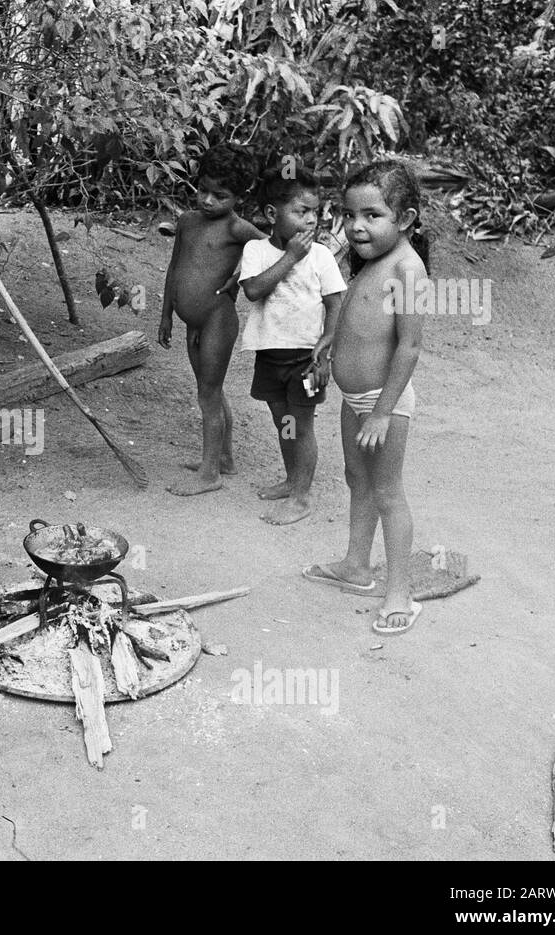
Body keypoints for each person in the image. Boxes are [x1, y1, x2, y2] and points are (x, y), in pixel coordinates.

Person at [304, 161, 429, 634]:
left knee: (387, 492)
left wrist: (381, 412)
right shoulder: (371, 262)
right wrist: (329, 340)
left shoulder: (407, 268)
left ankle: (399, 593)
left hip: (384, 403)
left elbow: (409, 345)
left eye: (372, 215)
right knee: (357, 479)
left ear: (406, 218)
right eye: (350, 214)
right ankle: (356, 566)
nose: (357, 225)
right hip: (354, 400)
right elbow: (359, 319)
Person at [237, 168, 346, 525]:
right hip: (271, 357)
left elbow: (335, 302)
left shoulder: (321, 256)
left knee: (302, 425)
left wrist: (326, 348)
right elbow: (253, 289)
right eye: (302, 211)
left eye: (316, 211)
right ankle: (291, 479)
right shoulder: (256, 250)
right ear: (272, 215)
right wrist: (289, 259)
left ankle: (301, 497)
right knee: (283, 420)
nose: (312, 219)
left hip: (309, 361)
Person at [159, 145, 268, 495]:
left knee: (207, 395)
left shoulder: (238, 229)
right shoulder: (187, 222)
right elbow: (174, 268)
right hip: (192, 323)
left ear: (239, 196)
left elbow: (271, 251)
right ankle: (224, 459)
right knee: (211, 391)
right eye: (202, 189)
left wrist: (240, 274)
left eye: (219, 195)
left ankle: (210, 474)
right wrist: (165, 316)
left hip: (218, 320)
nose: (207, 200)